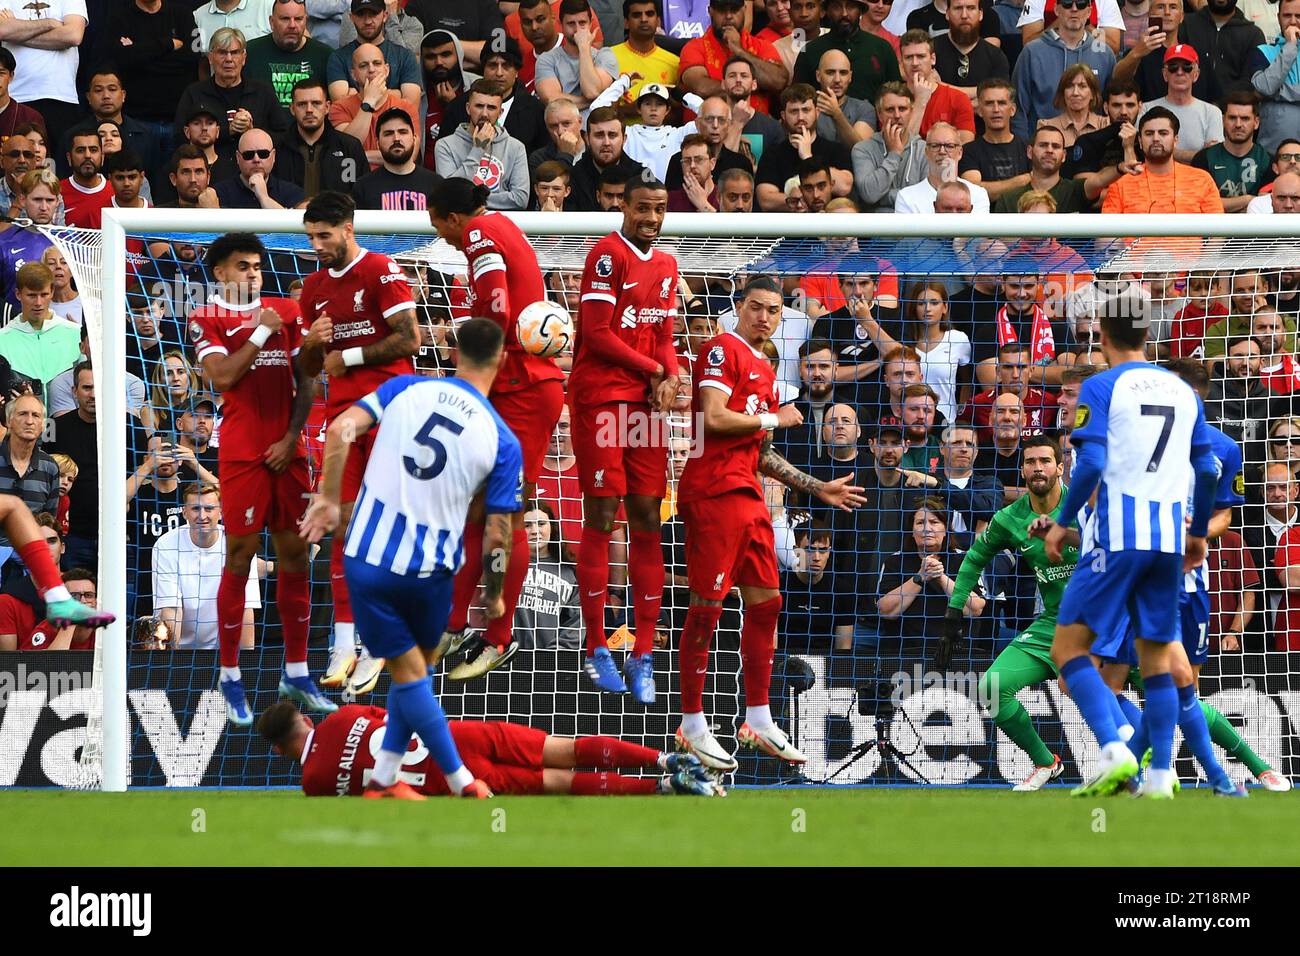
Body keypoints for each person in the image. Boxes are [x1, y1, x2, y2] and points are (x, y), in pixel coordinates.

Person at [298, 317, 522, 801]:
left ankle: (384, 778)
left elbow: (338, 430)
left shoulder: (403, 387)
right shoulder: (504, 440)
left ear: (453, 352)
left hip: (371, 558)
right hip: (432, 574)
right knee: (412, 671)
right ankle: (460, 780)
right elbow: (499, 533)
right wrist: (496, 594)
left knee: (410, 672)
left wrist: (329, 499)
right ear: (502, 361)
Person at [674, 275, 865, 771]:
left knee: (768, 602)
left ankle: (757, 717)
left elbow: (761, 454)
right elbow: (713, 419)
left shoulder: (762, 364)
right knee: (708, 608)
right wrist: (774, 419)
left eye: (774, 310)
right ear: (740, 307)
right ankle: (691, 723)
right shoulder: (722, 349)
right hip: (714, 492)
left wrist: (816, 487)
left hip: (747, 493)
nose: (764, 317)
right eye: (756, 307)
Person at [1039, 286, 1220, 799]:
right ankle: (1161, 777)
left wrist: (1061, 521)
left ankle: (1114, 749)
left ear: (1102, 332)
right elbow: (1205, 468)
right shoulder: (1182, 389)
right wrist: (1198, 532)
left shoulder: (1101, 386)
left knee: (1068, 649)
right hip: (1168, 542)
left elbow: (1091, 463)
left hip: (1117, 538)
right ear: (1148, 332)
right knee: (1158, 657)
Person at [427, 179, 565, 681]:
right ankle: (454, 622)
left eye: (437, 224)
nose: (440, 235)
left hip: (521, 389)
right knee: (475, 506)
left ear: (450, 217)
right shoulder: (501, 225)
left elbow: (500, 309)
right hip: (519, 385)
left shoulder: (482, 233)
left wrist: (474, 374)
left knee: (504, 511)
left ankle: (498, 636)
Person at [188, 232, 324, 725]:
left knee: (294, 555)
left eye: (256, 266)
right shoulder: (206, 317)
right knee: (241, 555)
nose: (251, 273)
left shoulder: (285, 311)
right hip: (242, 452)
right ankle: (229, 673)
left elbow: (307, 377)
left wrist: (292, 437)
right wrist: (261, 332)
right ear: (221, 272)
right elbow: (222, 378)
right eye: (242, 266)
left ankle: (297, 669)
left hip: (289, 449)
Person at [296, 191, 422, 692]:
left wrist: (345, 358)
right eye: (310, 237)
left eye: (324, 235)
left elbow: (409, 338)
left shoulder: (382, 270)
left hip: (392, 412)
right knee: (343, 526)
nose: (317, 245)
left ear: (348, 228)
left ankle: (379, 643)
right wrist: (311, 343)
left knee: (384, 528)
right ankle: (344, 643)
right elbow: (309, 368)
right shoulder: (312, 289)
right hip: (341, 419)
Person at [562, 176, 678, 700]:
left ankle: (644, 653)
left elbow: (666, 337)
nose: (651, 218)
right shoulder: (607, 256)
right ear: (622, 206)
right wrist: (656, 367)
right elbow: (600, 334)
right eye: (642, 209)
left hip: (647, 402)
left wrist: (671, 375)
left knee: (649, 515)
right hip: (602, 397)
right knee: (604, 511)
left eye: (659, 210)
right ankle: (596, 648)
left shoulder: (669, 265)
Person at [937, 436, 1074, 788]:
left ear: (1060, 467)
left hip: (1106, 624)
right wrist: (953, 617)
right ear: (1023, 469)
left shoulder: (1083, 505)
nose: (1038, 468)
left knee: (1173, 696)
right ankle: (1046, 762)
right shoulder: (1011, 517)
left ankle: (1228, 772)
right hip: (1053, 626)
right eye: (1030, 462)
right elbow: (973, 560)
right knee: (992, 688)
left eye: (1045, 461)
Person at [259, 700, 719, 797]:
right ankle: (662, 758)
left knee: (559, 783)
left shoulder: (313, 785)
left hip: (448, 782)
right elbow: (397, 720)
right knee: (567, 749)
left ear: (280, 751)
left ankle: (663, 787)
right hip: (460, 738)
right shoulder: (341, 717)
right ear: (307, 719)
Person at [152, 482, 261, 651]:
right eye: (195, 509)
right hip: (180, 649)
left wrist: (245, 665)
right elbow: (171, 610)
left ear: (221, 511)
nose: (202, 516)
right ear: (184, 512)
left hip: (223, 650)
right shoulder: (165, 545)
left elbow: (245, 611)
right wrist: (172, 663)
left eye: (209, 508)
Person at [876, 495, 986, 653]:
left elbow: (975, 609)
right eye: (920, 522)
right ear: (911, 531)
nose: (927, 528)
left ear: (946, 529)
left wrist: (941, 577)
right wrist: (920, 576)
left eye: (934, 522)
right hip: (903, 654)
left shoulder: (965, 560)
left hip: (955, 655)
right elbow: (885, 611)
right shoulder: (894, 562)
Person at [173, 28, 291, 157]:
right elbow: (180, 138)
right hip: (208, 171)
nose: (229, 59)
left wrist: (252, 132)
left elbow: (283, 137)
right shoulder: (194, 93)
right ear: (211, 57)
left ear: (244, 57)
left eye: (234, 53)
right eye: (222, 53)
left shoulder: (263, 92)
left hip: (254, 170)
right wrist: (226, 130)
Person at [1010, 0, 1116, 140]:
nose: (1074, 9)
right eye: (1066, 3)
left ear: (1089, 11)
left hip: (1093, 149)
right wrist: (1023, 147)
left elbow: (1111, 106)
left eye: (1081, 4)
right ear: (1056, 10)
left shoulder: (1104, 53)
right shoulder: (1032, 52)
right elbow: (1018, 107)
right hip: (1044, 149)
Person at [1100, 107, 1225, 215]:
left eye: (1163, 133)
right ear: (1140, 141)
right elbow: (1105, 237)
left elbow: (1219, 231)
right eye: (1149, 134)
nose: (1155, 139)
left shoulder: (1202, 179)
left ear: (1176, 140)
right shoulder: (1120, 183)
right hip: (1132, 244)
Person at [433, 81, 530, 210]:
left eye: (491, 107)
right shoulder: (445, 145)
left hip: (500, 224)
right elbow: (449, 195)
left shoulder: (515, 147)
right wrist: (478, 149)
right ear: (468, 108)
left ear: (500, 112)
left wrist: (471, 198)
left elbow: (520, 199)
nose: (484, 113)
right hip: (463, 225)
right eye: (479, 106)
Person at [680, 0, 789, 115]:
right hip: (707, 128)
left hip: (755, 129)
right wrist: (755, 85)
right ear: (710, 11)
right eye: (721, 10)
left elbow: (779, 81)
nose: (728, 16)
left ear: (744, 10)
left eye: (734, 9)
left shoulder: (762, 46)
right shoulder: (694, 47)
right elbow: (701, 88)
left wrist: (739, 51)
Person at [755, 84, 854, 210]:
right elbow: (765, 200)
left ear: (817, 112)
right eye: (794, 111)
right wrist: (804, 201)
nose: (800, 117)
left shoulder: (835, 150)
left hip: (828, 225)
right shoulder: (772, 154)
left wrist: (808, 158)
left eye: (806, 110)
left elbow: (845, 186)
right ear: (783, 116)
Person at [0, 0, 85, 145]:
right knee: (17, 160)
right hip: (17, 96)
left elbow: (73, 36)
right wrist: (50, 23)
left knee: (58, 164)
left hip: (60, 96)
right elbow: (2, 30)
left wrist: (16, 30)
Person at [331, 44, 424, 172]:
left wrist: (362, 155)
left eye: (377, 63)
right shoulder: (340, 107)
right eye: (363, 65)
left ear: (387, 70)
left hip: (394, 181)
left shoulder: (406, 108)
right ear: (353, 74)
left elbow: (409, 155)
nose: (371, 69)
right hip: (354, 179)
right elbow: (346, 149)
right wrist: (369, 102)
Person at [272, 79, 369, 199]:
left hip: (337, 217)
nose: (309, 110)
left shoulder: (349, 147)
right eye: (302, 104)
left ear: (327, 107)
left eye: (316, 103)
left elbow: (363, 194)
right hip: (288, 216)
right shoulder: (276, 148)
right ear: (292, 109)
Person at [794, 0, 901, 107]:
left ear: (860, 10)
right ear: (827, 11)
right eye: (837, 7)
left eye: (851, 7)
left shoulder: (882, 48)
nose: (844, 13)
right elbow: (798, 99)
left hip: (873, 122)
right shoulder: (810, 51)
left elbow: (897, 96)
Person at [0, 262, 79, 400]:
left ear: (52, 292)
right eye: (31, 295)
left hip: (67, 419)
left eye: (44, 294)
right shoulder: (2, 339)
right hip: (22, 419)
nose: (38, 302)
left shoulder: (75, 333)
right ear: (18, 294)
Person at [778, 519, 856, 652]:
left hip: (825, 666)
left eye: (823, 550)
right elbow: (770, 644)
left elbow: (843, 649)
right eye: (809, 549)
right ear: (797, 551)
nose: (817, 557)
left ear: (830, 552)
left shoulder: (842, 591)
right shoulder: (779, 586)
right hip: (784, 663)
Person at [324, 0, 423, 104]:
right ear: (351, 18)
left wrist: (357, 94)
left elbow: (412, 104)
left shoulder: (405, 56)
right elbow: (341, 103)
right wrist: (397, 94)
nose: (367, 21)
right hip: (354, 121)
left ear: (385, 16)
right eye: (361, 14)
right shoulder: (338, 58)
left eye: (373, 13)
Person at [512, 504, 582, 649]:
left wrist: (555, 655)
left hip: (551, 661)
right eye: (527, 525)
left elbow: (577, 622)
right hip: (507, 656)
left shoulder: (569, 572)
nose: (535, 531)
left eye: (541, 524)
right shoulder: (505, 564)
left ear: (552, 527)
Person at [851, 81, 929, 210]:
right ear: (879, 114)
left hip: (915, 226)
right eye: (890, 110)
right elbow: (870, 194)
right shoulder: (862, 149)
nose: (897, 116)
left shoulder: (924, 150)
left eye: (902, 109)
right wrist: (895, 154)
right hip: (877, 227)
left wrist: (883, 197)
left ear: (911, 112)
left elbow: (926, 197)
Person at [1139, 45, 1224, 161]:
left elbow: (1213, 158)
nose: (1179, 72)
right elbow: (1142, 150)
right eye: (1173, 67)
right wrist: (1198, 155)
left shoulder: (1212, 113)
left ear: (1196, 74)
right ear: (1164, 74)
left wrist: (1164, 151)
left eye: (1187, 67)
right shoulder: (1146, 109)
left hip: (1197, 178)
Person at [1191, 89, 1270, 212]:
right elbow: (1198, 203)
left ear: (1256, 122)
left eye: (1245, 118)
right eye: (1232, 118)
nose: (1238, 124)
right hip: (1213, 229)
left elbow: (1268, 206)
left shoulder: (1267, 160)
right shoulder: (1203, 158)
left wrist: (1225, 204)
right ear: (1223, 120)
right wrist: (1248, 200)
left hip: (1255, 229)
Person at [244, 0, 333, 109]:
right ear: (271, 22)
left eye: (298, 19)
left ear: (306, 21)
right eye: (285, 19)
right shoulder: (250, 52)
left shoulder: (326, 56)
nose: (292, 25)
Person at [535, 0, 620, 112]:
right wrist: (596, 100)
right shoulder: (546, 59)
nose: (577, 30)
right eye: (571, 23)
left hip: (597, 128)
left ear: (591, 23)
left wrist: (584, 48)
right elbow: (552, 100)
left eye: (582, 23)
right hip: (561, 127)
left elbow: (591, 91)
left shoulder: (605, 56)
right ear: (560, 25)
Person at [354, 108, 441, 210]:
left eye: (403, 132)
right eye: (388, 133)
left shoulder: (437, 185)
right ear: (378, 143)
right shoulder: (363, 187)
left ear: (414, 139)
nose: (396, 138)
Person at [897, 29, 976, 142]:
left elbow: (964, 147)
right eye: (909, 57)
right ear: (901, 62)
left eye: (921, 56)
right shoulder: (892, 99)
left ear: (933, 59)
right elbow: (899, 150)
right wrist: (920, 103)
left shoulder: (958, 99)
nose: (914, 63)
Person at [894, 122, 991, 212]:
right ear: (926, 152)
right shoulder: (906, 197)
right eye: (935, 146)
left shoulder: (978, 195)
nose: (942, 151)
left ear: (960, 152)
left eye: (949, 146)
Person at [958, 79, 1030, 200]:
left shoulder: (1028, 148)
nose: (996, 109)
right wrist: (1021, 181)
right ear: (979, 110)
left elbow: (1039, 187)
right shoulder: (968, 151)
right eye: (989, 103)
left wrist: (988, 188)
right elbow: (973, 193)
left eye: (1001, 103)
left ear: (1012, 110)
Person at [992, 124, 1088, 212]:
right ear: (1029, 152)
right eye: (1043, 145)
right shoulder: (1008, 200)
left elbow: (1100, 180)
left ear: (1064, 156)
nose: (1049, 150)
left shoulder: (1077, 191)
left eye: (1055, 146)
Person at [566, 106, 647, 209]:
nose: (606, 143)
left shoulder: (641, 176)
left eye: (612, 135)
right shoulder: (573, 177)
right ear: (587, 139)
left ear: (624, 139)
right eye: (599, 135)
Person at [213, 128, 306, 209]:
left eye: (263, 154)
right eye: (248, 155)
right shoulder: (219, 194)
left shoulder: (293, 194)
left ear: (273, 156)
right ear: (238, 157)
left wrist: (264, 197)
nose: (256, 159)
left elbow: (293, 227)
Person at [612, 0, 683, 102]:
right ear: (626, 23)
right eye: (637, 15)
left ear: (658, 21)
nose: (644, 19)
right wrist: (632, 109)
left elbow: (679, 110)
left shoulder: (675, 63)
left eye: (649, 14)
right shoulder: (610, 57)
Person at [1038, 63, 1106, 148]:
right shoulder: (1046, 126)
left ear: (1092, 93)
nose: (1075, 93)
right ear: (1063, 93)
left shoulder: (1104, 125)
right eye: (1070, 86)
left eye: (1082, 86)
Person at [59, 131, 112, 229]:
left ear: (102, 156)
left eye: (93, 150)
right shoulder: (55, 192)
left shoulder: (117, 191)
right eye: (80, 150)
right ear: (69, 158)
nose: (87, 155)